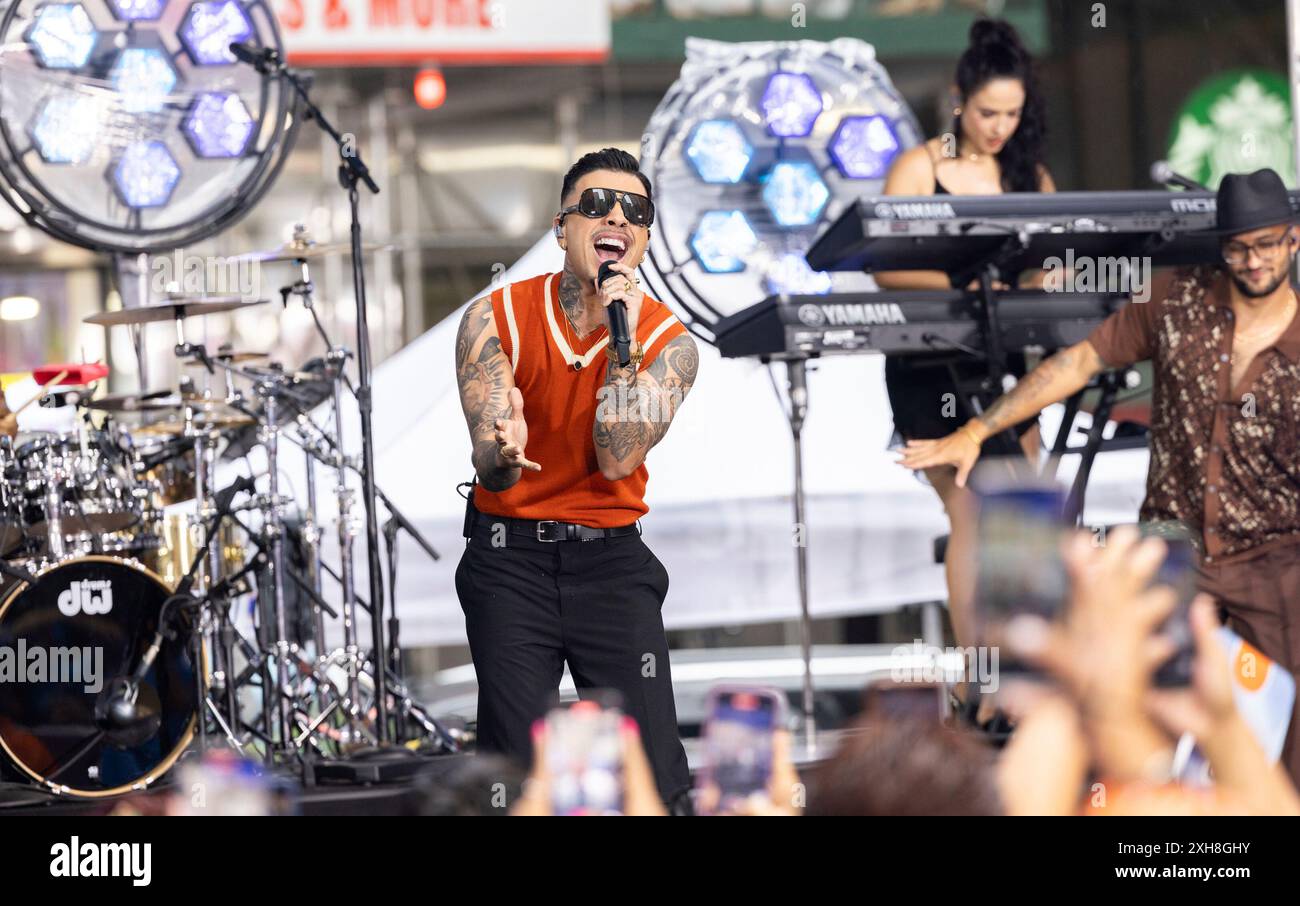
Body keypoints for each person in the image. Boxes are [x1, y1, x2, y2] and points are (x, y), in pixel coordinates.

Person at [900, 167, 1300, 786]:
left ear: (1293, 241)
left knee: (1278, 742)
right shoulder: (1175, 299)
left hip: (1275, 566)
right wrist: (975, 432)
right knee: (1138, 722)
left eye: (1267, 244)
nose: (1253, 261)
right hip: (1174, 553)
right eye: (1239, 246)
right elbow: (1078, 362)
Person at [452, 148, 699, 810]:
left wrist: (624, 350)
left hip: (611, 563)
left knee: (655, 771)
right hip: (511, 562)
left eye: (635, 211)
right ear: (562, 228)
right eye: (594, 204)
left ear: (644, 239)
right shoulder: (493, 318)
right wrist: (504, 449)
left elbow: (617, 458)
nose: (615, 215)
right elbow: (493, 468)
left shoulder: (670, 344)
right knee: (517, 769)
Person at [876, 18, 1056, 655]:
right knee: (972, 518)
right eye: (987, 112)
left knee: (1027, 514)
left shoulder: (1029, 177)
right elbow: (885, 264)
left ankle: (1023, 666)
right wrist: (968, 294)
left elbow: (1048, 265)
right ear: (960, 99)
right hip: (931, 363)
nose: (999, 126)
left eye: (1012, 113)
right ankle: (981, 679)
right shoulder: (919, 167)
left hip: (1006, 360)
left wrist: (1044, 283)